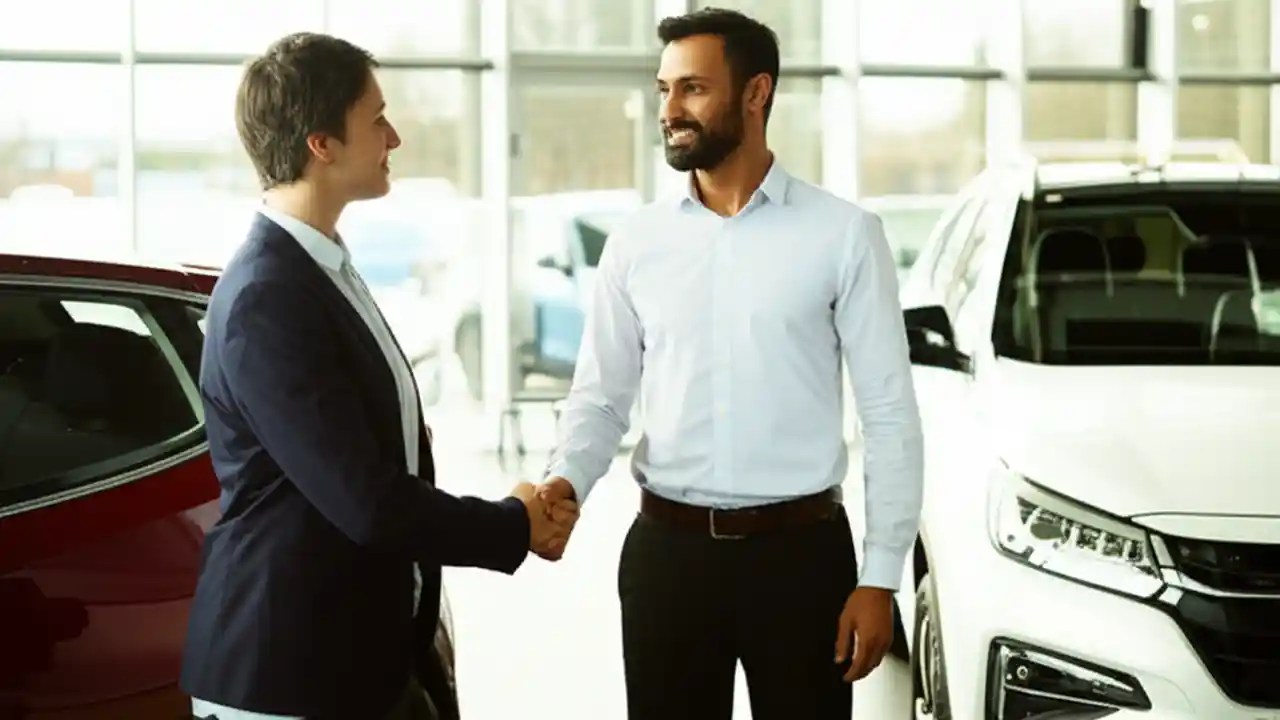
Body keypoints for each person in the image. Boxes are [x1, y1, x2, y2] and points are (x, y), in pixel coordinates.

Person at [534, 8, 924, 719]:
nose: (670, 111)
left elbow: (890, 414)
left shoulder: (843, 235)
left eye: (692, 89)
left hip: (803, 562)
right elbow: (599, 399)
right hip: (667, 561)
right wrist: (566, 484)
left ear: (756, 93)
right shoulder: (635, 243)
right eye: (662, 91)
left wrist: (881, 576)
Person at [181, 32, 575, 720]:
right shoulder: (267, 298)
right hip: (289, 671)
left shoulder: (321, 267)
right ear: (321, 144)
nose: (394, 137)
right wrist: (514, 525)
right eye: (376, 119)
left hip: (355, 657)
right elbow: (366, 500)